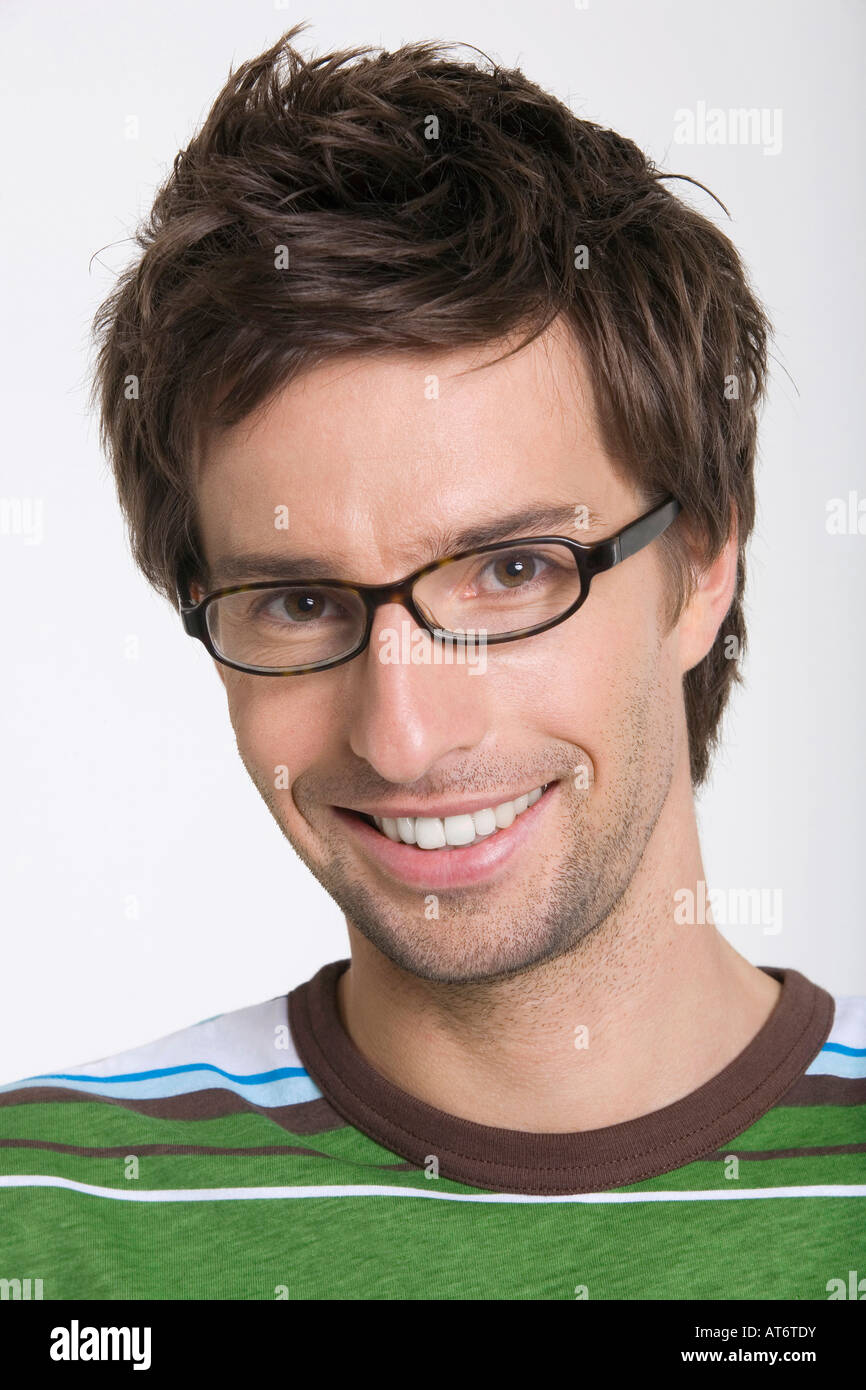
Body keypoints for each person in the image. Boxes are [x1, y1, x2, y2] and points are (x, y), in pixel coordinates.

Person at [1, 23, 862, 1301]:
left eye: (511, 570)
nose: (401, 737)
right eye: (297, 599)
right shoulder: (49, 1220)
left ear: (701, 566)